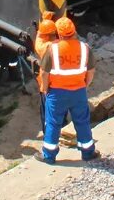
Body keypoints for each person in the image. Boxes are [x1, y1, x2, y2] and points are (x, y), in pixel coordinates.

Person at [38, 17, 97, 164]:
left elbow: (44, 73)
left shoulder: (52, 49)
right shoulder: (85, 48)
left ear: (58, 34)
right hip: (79, 92)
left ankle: (48, 156)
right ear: (74, 31)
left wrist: (45, 88)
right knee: (82, 121)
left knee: (53, 123)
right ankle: (88, 153)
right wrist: (84, 85)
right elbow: (91, 71)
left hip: (56, 93)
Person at [32, 14, 58, 135]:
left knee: (47, 115)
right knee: (60, 113)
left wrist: (45, 21)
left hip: (47, 87)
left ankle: (49, 138)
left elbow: (38, 42)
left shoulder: (45, 47)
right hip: (62, 87)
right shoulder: (61, 45)